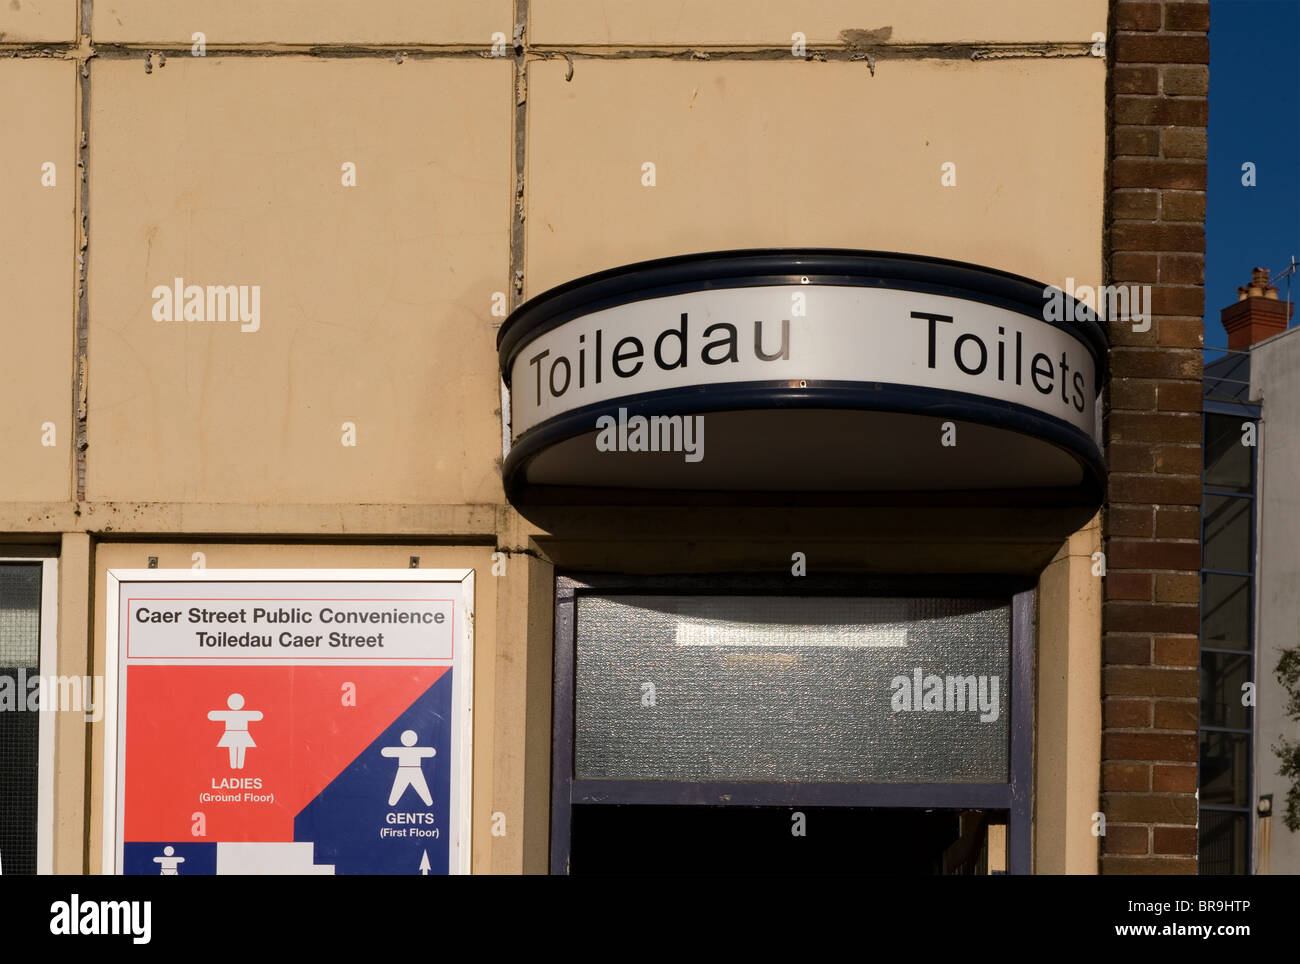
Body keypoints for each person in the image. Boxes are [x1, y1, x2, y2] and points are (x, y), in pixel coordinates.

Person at [207, 693, 263, 769]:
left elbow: (259, 715)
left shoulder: (232, 714)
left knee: (239, 748)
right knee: (235, 748)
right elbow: (211, 715)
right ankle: (235, 765)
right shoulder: (240, 714)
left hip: (238, 733)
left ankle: (238, 765)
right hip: (235, 733)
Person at [381, 730, 436, 806]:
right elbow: (384, 752)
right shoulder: (414, 751)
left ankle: (429, 803)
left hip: (414, 770)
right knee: (396, 792)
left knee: (423, 790)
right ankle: (392, 803)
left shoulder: (413, 751)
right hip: (405, 770)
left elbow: (432, 752)